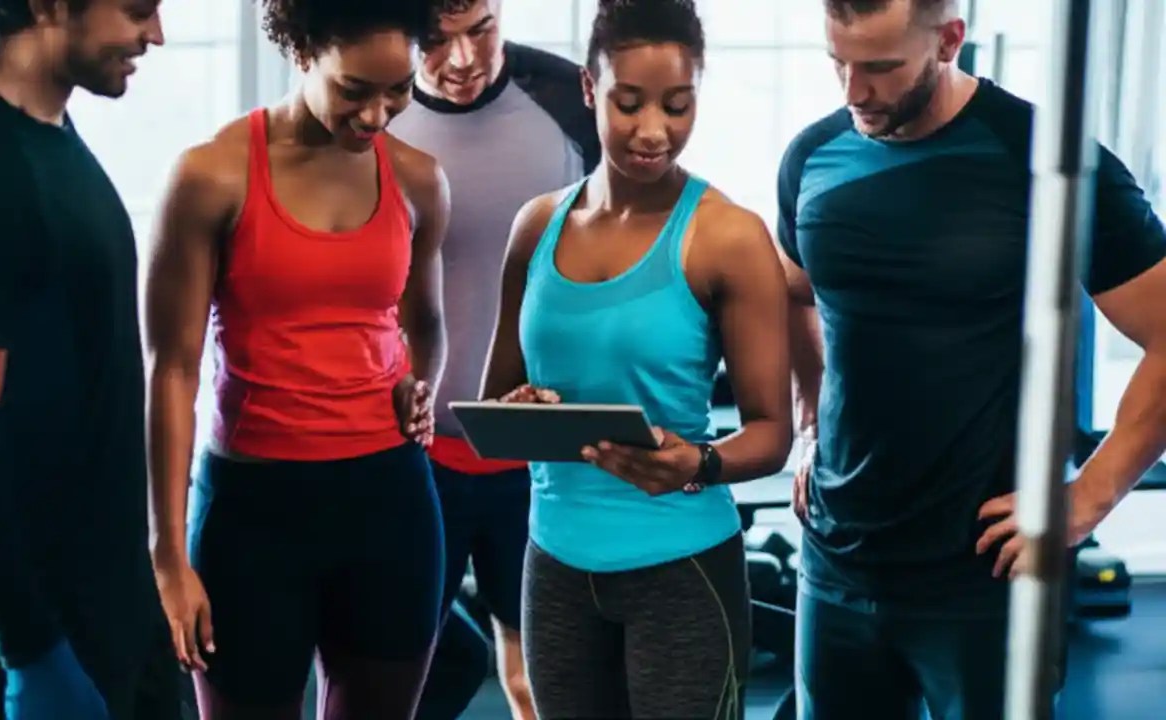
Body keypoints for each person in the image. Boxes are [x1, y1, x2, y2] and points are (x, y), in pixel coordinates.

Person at [779, 1, 1166, 718]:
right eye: (839, 63)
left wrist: (1088, 499)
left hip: (984, 571)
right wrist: (809, 424)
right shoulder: (812, 156)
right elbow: (799, 295)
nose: (853, 92)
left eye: (881, 68)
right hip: (836, 559)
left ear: (950, 40)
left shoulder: (1047, 159)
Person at [479, 1, 794, 717]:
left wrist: (702, 464)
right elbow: (493, 402)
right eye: (629, 103)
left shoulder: (730, 238)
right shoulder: (536, 226)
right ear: (590, 89)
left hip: (680, 568)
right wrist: (518, 410)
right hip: (554, 564)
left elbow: (772, 432)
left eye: (678, 106)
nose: (654, 130)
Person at [143, 2, 451, 719]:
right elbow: (172, 371)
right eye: (354, 90)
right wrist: (167, 558)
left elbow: (425, 325)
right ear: (302, 49)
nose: (377, 115)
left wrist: (419, 385)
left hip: (390, 503)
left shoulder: (420, 182)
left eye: (398, 89)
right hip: (254, 513)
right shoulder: (209, 176)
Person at [0, 1, 179, 719]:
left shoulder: (48, 135)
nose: (156, 34)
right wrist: (32, 653)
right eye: (138, 8)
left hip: (105, 604)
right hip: (29, 633)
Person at [386, 1, 601, 718]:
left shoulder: (573, 97)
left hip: (538, 456)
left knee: (537, 682)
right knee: (394, 677)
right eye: (434, 39)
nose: (462, 59)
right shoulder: (370, 106)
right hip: (412, 457)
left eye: (479, 28)